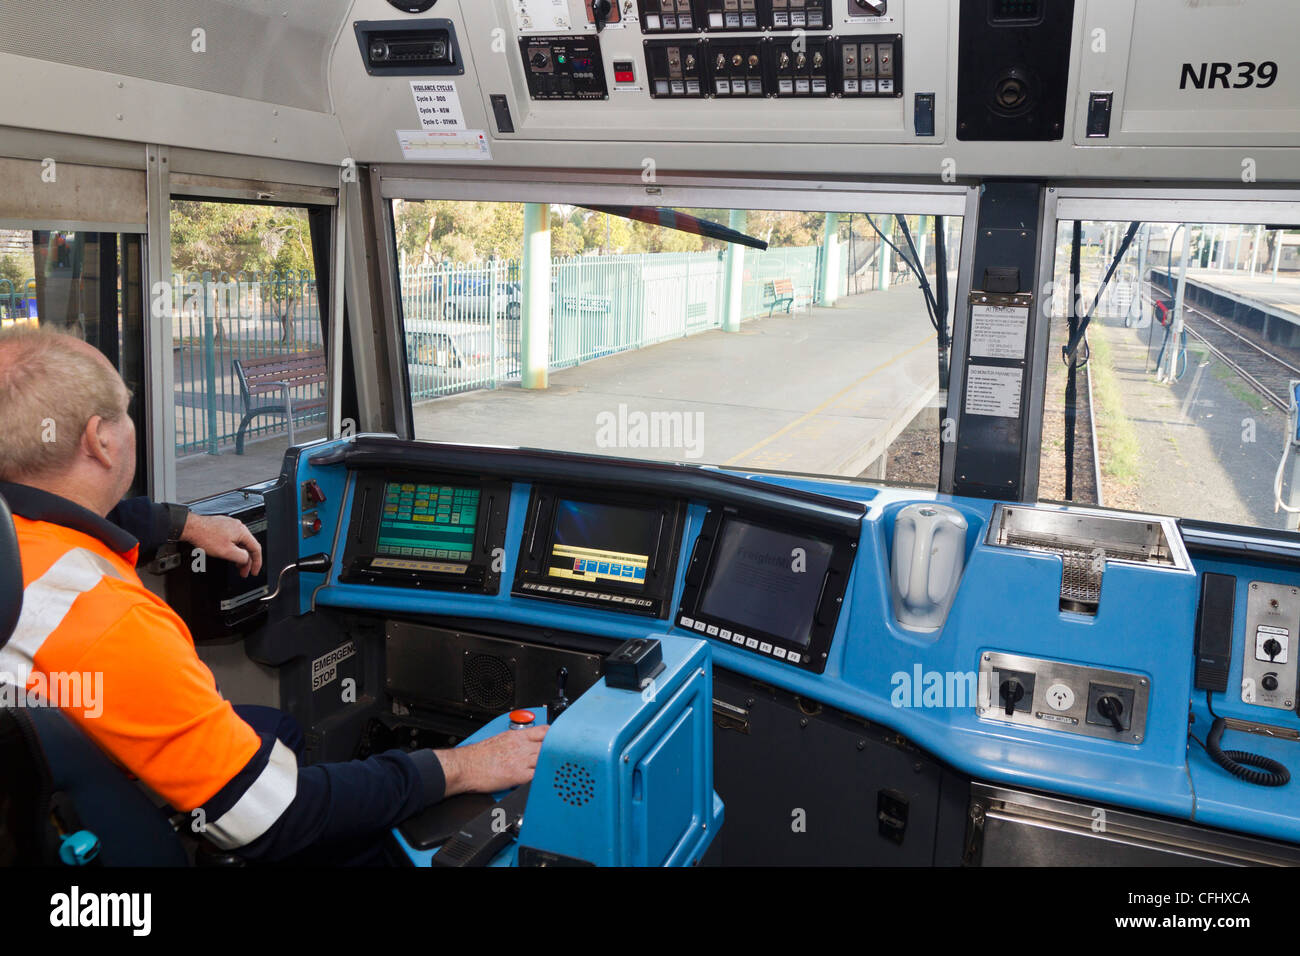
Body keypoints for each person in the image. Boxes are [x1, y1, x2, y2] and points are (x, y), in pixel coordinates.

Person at [0, 325, 547, 864]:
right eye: (125, 413)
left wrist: (183, 522)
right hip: (123, 826)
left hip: (53, 790)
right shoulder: (108, 619)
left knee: (280, 729)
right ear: (99, 440)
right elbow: (274, 817)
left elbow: (68, 507)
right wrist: (461, 766)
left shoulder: (23, 546)